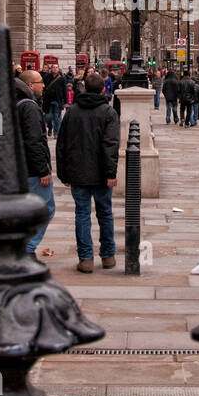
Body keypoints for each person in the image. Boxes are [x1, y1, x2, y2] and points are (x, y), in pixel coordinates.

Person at [56, 71, 120, 273]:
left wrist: (63, 174)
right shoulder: (108, 113)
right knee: (105, 214)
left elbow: (61, 144)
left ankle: (85, 259)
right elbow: (111, 145)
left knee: (82, 214)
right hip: (101, 173)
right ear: (103, 89)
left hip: (77, 172)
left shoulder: (72, 111)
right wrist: (111, 173)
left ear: (83, 88)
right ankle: (108, 256)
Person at [16, 69, 55, 260]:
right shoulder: (29, 106)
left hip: (16, 167)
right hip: (31, 169)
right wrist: (42, 170)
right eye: (40, 82)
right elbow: (34, 140)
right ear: (30, 85)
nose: (44, 85)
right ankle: (28, 248)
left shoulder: (10, 101)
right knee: (46, 208)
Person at [43, 62, 67, 136]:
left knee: (57, 117)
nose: (55, 69)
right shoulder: (46, 77)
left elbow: (64, 90)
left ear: (58, 68)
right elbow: (43, 87)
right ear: (51, 69)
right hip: (48, 100)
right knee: (48, 117)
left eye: (56, 67)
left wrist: (65, 101)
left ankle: (56, 133)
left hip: (58, 100)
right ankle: (50, 127)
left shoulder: (62, 78)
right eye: (53, 67)